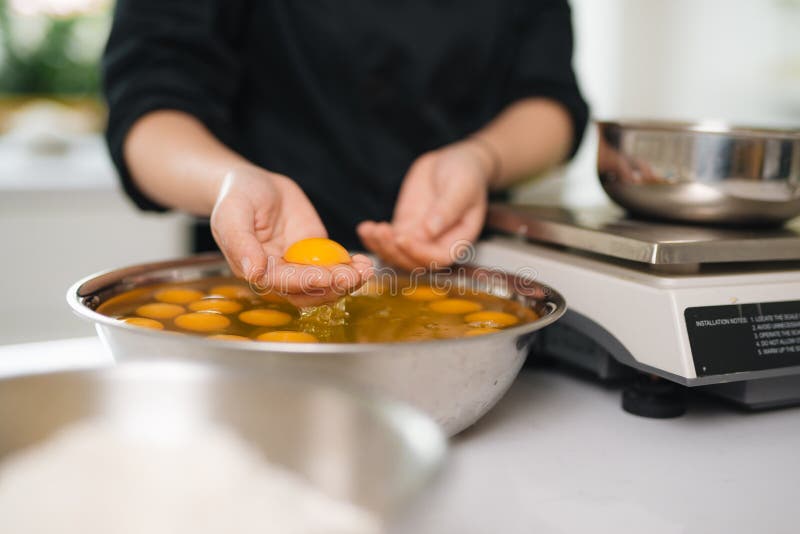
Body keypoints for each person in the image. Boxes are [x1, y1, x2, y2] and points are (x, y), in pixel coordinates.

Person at [103, 0, 588, 297]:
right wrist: (229, 182)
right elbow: (150, 102)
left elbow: (549, 98)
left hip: (460, 275)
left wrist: (482, 158)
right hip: (258, 278)